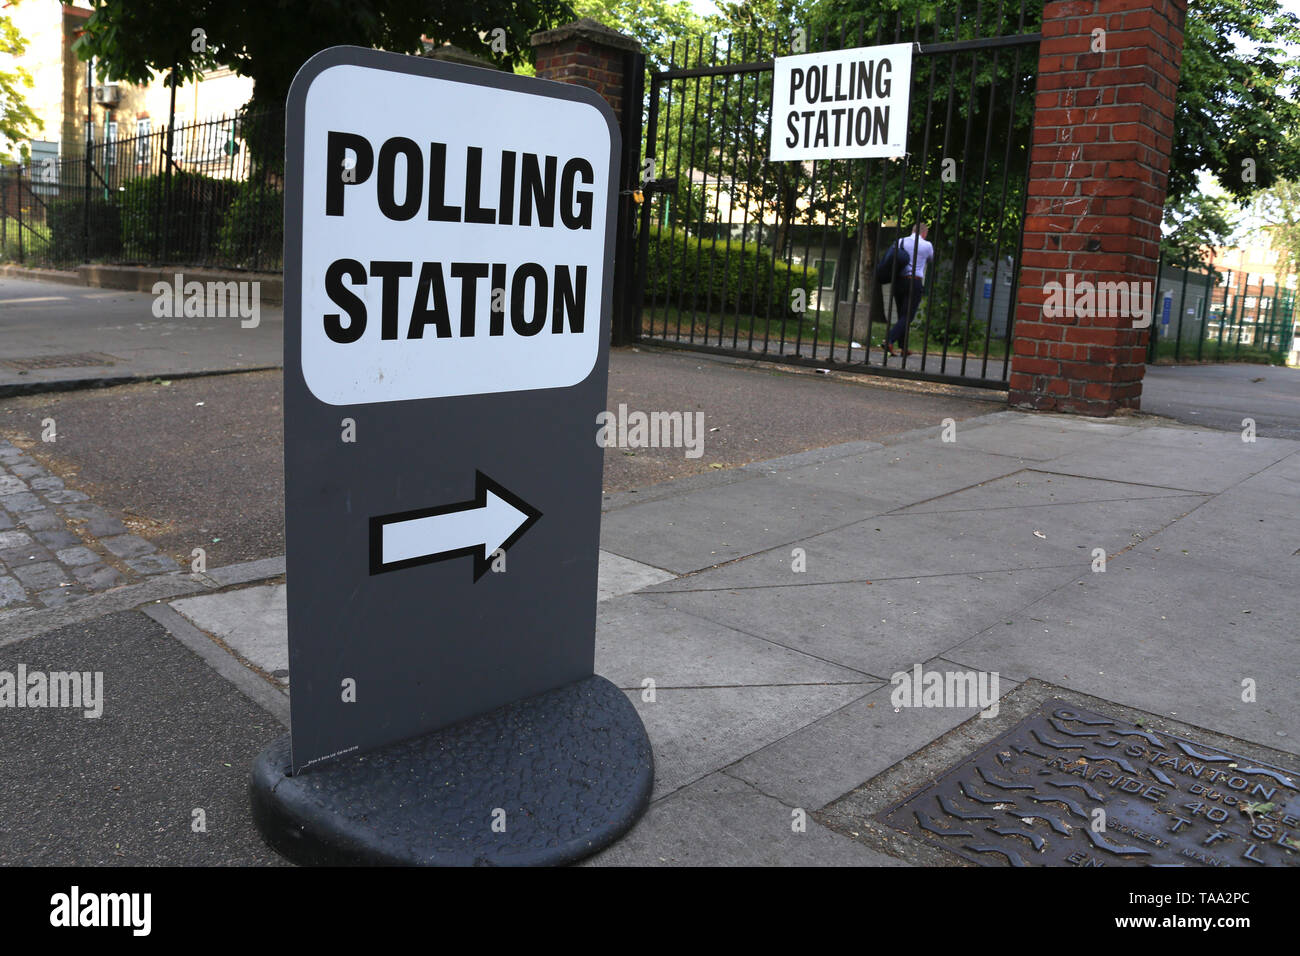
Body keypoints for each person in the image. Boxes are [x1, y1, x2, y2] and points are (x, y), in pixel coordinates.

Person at [885, 222, 933, 358]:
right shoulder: (927, 245)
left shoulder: (900, 242)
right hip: (915, 282)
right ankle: (889, 339)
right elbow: (930, 259)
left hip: (899, 281)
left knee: (902, 315)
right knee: (907, 316)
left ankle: (903, 347)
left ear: (912, 231)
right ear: (924, 233)